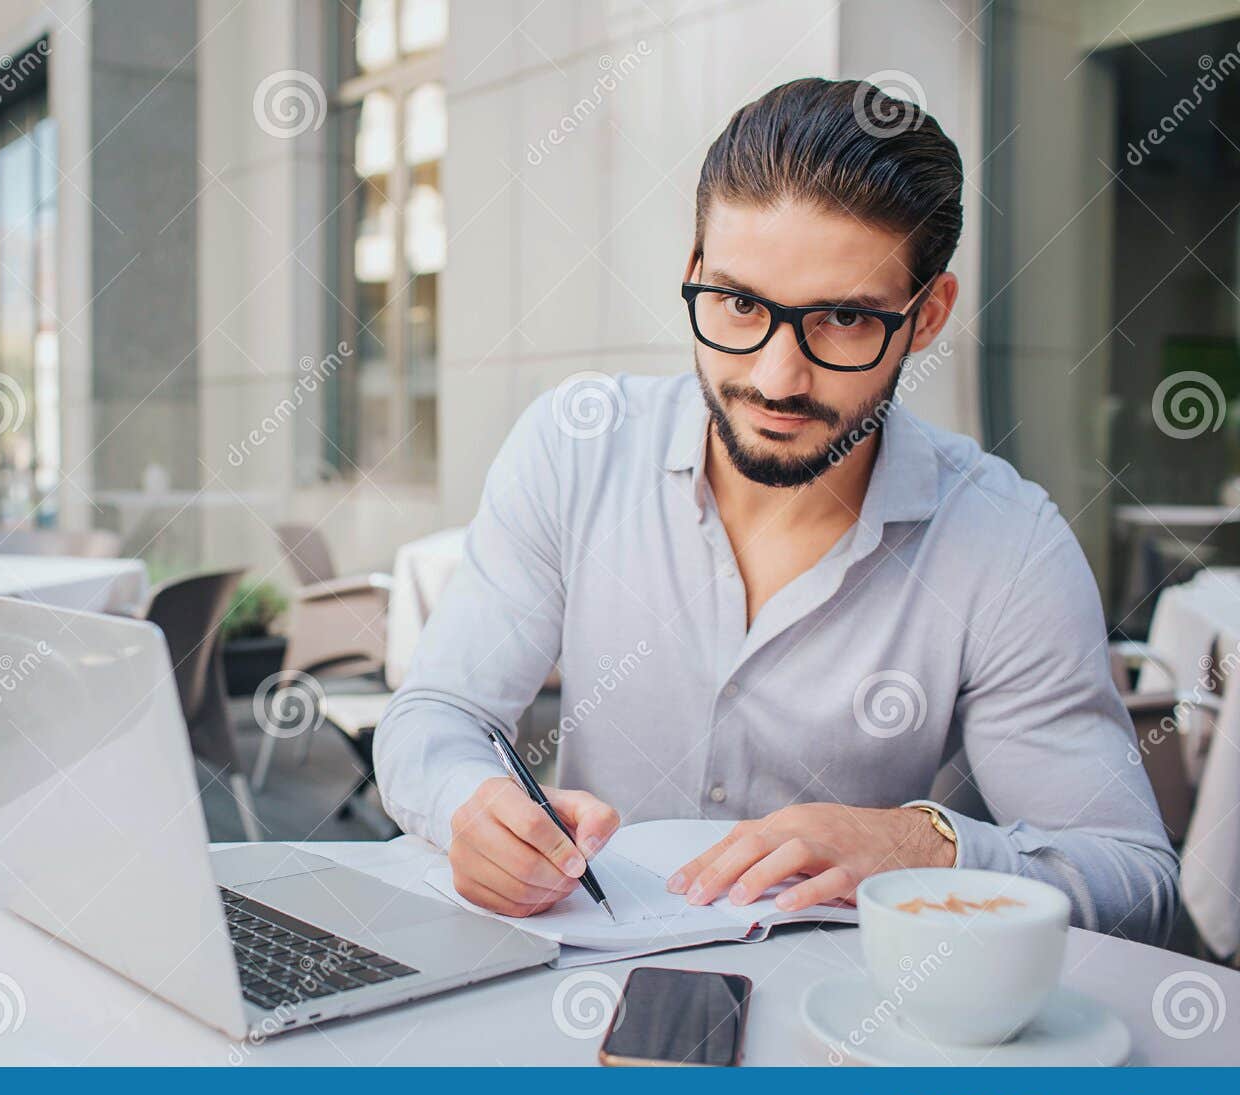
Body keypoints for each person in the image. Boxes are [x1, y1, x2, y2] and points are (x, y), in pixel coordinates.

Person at [372, 77, 1177, 945]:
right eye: (741, 304)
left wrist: (923, 843)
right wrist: (470, 805)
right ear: (693, 275)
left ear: (927, 316)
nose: (776, 378)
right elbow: (435, 718)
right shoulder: (576, 447)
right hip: (584, 999)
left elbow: (1135, 881)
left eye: (840, 319)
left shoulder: (1006, 545)